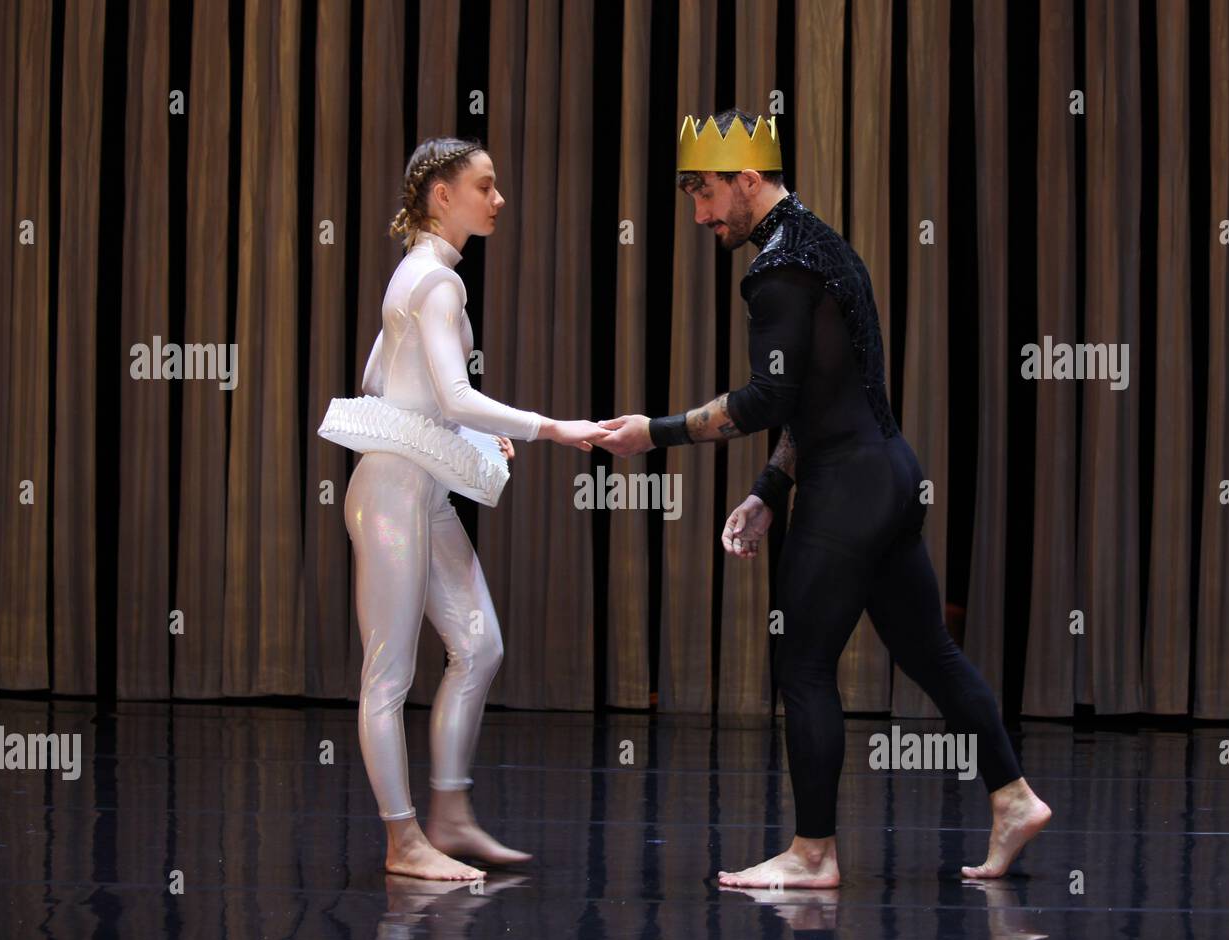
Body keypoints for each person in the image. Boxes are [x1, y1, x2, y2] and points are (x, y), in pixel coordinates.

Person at [595, 109, 1051, 888]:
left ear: (747, 180)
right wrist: (772, 488)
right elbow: (821, 391)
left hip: (846, 490)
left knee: (803, 666)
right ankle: (1013, 796)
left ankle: (812, 854)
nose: (700, 214)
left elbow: (770, 397)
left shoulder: (775, 268)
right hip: (890, 476)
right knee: (928, 652)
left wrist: (655, 432)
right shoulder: (823, 241)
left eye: (705, 194)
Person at [341, 137, 605, 881]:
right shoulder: (435, 283)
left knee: (479, 644)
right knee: (388, 676)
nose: (498, 200)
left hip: (420, 491)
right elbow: (449, 393)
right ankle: (404, 839)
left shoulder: (420, 277)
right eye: (485, 186)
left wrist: (467, 428)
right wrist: (552, 427)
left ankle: (450, 816)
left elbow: (378, 375)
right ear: (441, 197)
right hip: (393, 494)